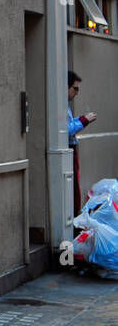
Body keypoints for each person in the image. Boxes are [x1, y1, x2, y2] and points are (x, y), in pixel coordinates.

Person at [67, 70, 97, 217]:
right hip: (68, 150)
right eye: (75, 88)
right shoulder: (61, 106)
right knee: (72, 188)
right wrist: (84, 120)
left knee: (74, 186)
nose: (77, 93)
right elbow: (66, 129)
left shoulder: (65, 105)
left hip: (71, 150)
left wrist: (81, 119)